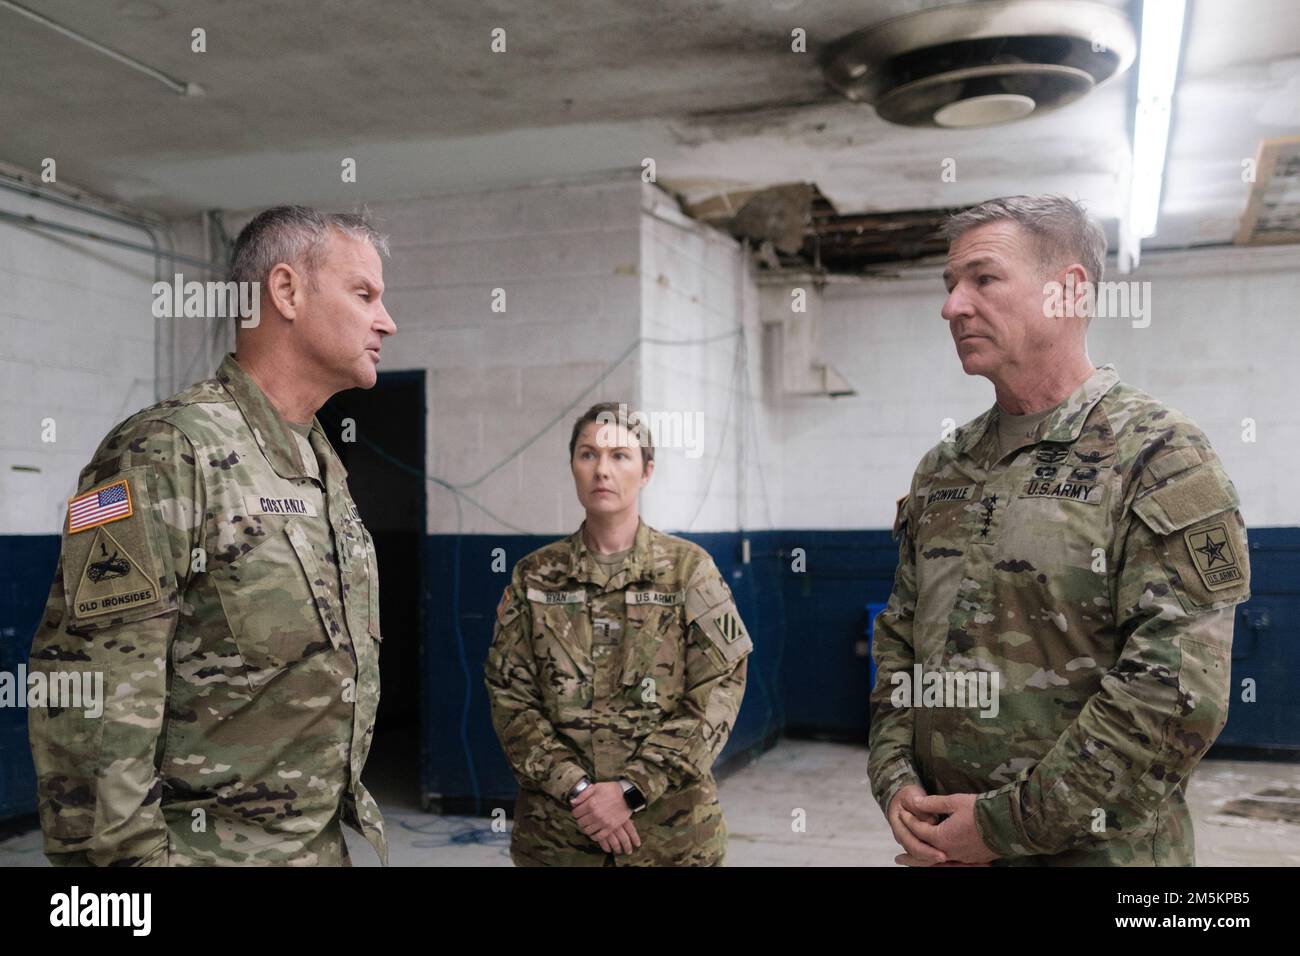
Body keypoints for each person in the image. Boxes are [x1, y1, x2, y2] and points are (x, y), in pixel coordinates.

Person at [868, 195, 1250, 866]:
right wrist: (895, 780)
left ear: (1070, 290)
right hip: (940, 847)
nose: (952, 306)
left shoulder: (1157, 454)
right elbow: (900, 638)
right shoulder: (944, 467)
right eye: (951, 285)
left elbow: (1175, 694)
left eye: (982, 279)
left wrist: (1001, 828)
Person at [27, 205, 397, 865]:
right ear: (286, 292)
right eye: (364, 294)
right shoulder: (162, 451)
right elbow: (89, 689)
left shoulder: (320, 462)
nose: (386, 321)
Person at [485, 402, 751, 866]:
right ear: (572, 466)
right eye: (588, 454)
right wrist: (581, 790)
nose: (601, 470)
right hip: (559, 839)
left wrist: (632, 789)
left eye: (619, 456)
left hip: (671, 838)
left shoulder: (688, 571)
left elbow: (719, 688)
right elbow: (510, 696)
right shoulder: (535, 577)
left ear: (647, 471)